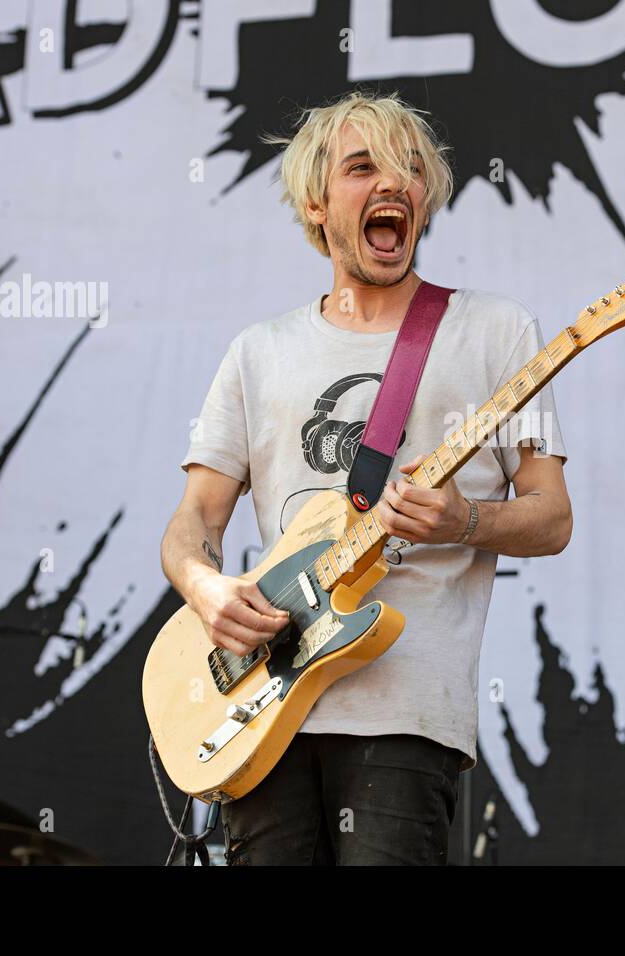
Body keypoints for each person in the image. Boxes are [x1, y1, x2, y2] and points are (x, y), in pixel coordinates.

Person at [160, 90, 571, 865]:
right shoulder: (260, 351)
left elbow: (552, 515)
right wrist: (205, 588)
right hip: (259, 712)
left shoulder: (496, 330)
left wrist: (464, 522)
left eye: (410, 170)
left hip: (407, 716)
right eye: (362, 168)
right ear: (317, 203)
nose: (393, 184)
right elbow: (193, 524)